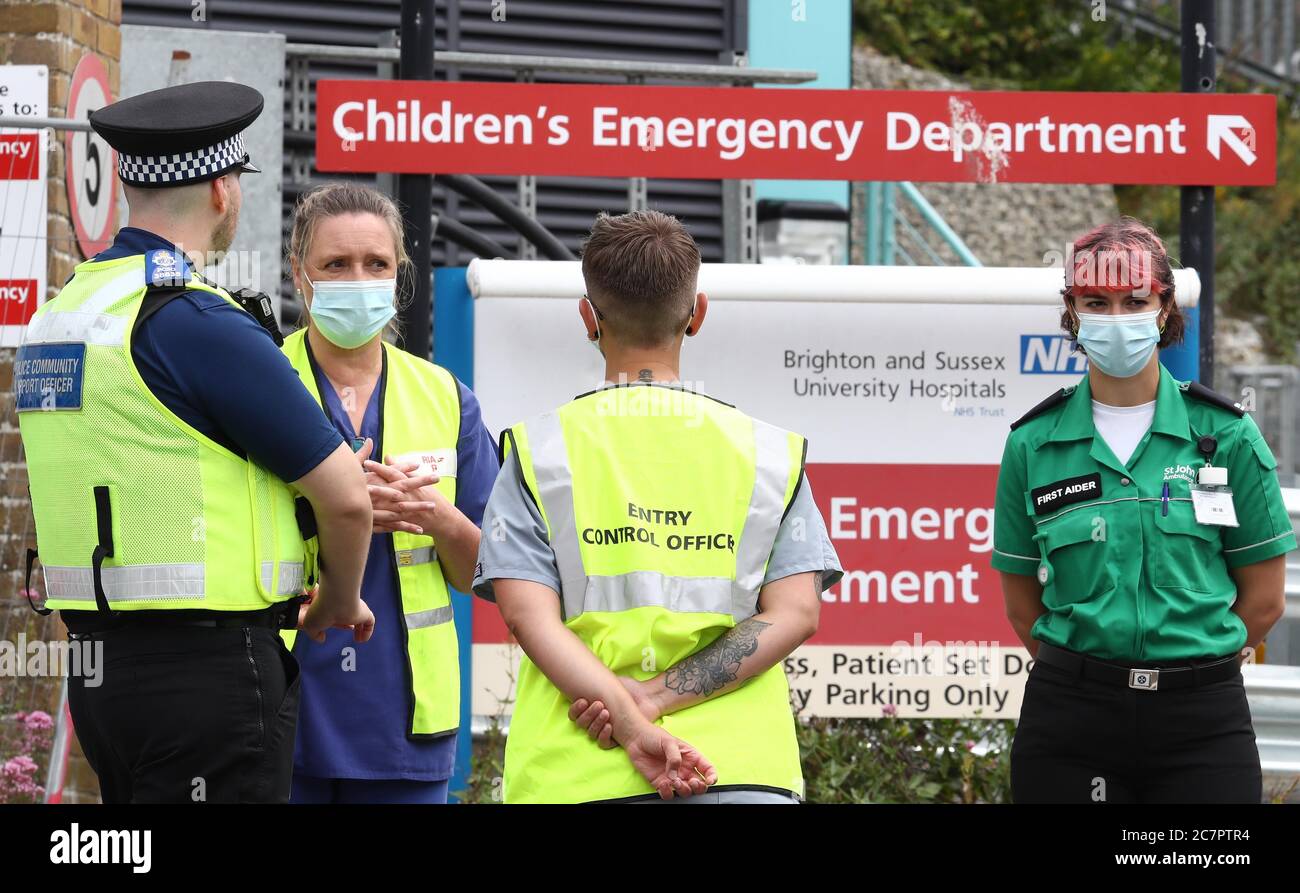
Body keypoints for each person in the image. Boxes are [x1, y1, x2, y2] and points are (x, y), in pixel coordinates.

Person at [15, 81, 374, 804]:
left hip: (99, 671)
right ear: (220, 188)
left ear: (127, 183)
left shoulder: (64, 316)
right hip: (210, 675)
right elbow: (347, 500)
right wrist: (339, 598)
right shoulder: (197, 321)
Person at [473, 210, 843, 803]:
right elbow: (796, 612)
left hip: (580, 769)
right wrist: (658, 698)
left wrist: (628, 713)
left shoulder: (540, 452)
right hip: (743, 767)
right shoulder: (769, 453)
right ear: (696, 314)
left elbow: (527, 618)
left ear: (587, 317)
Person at [992, 217, 1295, 804]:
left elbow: (1264, 600)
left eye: (1135, 300)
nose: (1116, 317)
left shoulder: (1226, 435)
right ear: (1071, 311)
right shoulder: (1032, 443)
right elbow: (1022, 606)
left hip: (1201, 721)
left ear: (1164, 308)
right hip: (1071, 720)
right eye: (1095, 302)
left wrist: (1189, 668)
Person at [279, 183, 497, 805]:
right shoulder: (260, 383)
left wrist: (436, 516)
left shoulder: (447, 397)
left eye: (376, 264)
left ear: (399, 273)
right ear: (301, 275)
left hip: (402, 719)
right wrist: (339, 510)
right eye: (335, 265)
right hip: (282, 704)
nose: (358, 279)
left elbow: (482, 570)